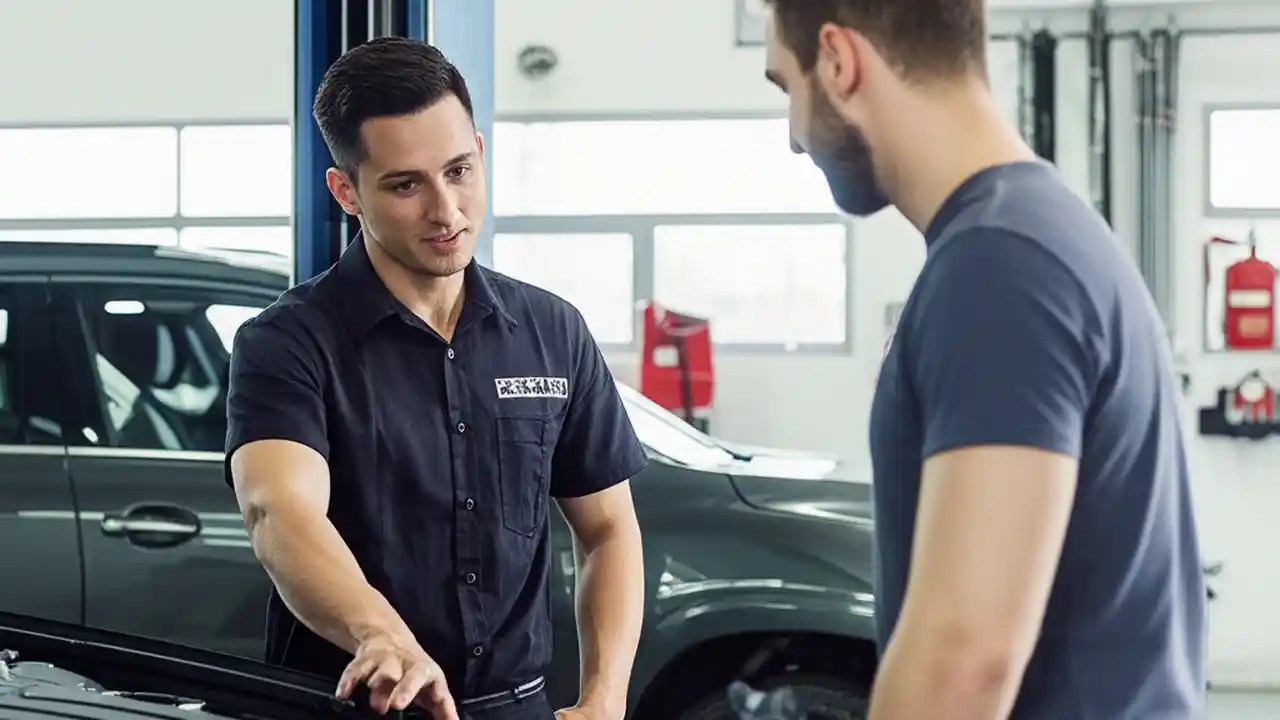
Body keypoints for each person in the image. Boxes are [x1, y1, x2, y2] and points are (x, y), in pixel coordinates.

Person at [760, 2, 1206, 718]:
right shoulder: (1033, 232)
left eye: (787, 86)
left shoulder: (999, 264)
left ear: (839, 63)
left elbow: (961, 666)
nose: (792, 137)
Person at [224, 37, 647, 720]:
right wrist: (382, 636)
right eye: (405, 184)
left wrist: (605, 699)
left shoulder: (552, 331)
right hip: (359, 707)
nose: (446, 210)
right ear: (346, 192)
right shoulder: (287, 342)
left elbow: (608, 530)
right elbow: (279, 511)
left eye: (458, 170)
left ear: (479, 151)